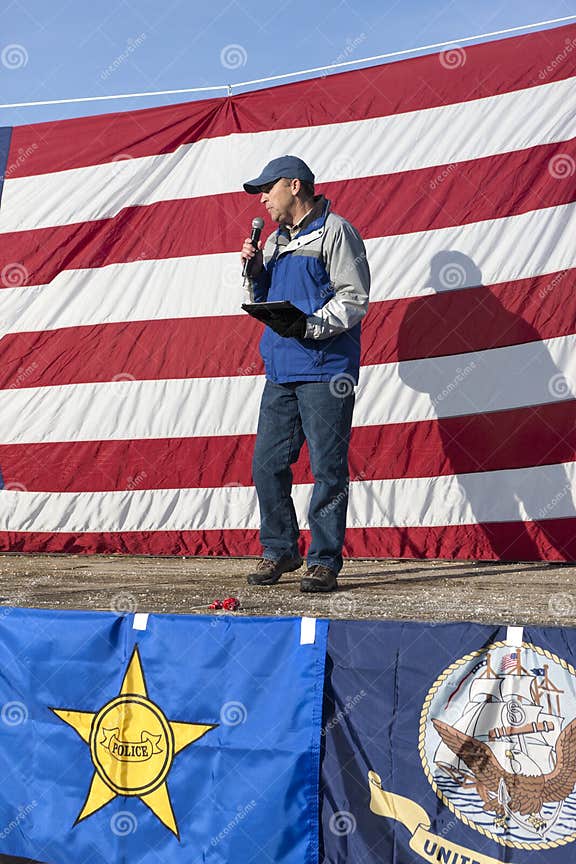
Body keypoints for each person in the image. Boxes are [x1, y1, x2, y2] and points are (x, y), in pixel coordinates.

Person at [240, 155, 370, 593]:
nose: (262, 198)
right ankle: (281, 549)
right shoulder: (274, 241)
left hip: (326, 370)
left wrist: (311, 326)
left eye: (267, 188)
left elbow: (354, 298)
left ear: (295, 186)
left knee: (327, 469)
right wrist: (255, 275)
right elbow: (268, 302)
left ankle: (324, 559)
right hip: (280, 369)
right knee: (267, 466)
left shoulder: (337, 232)